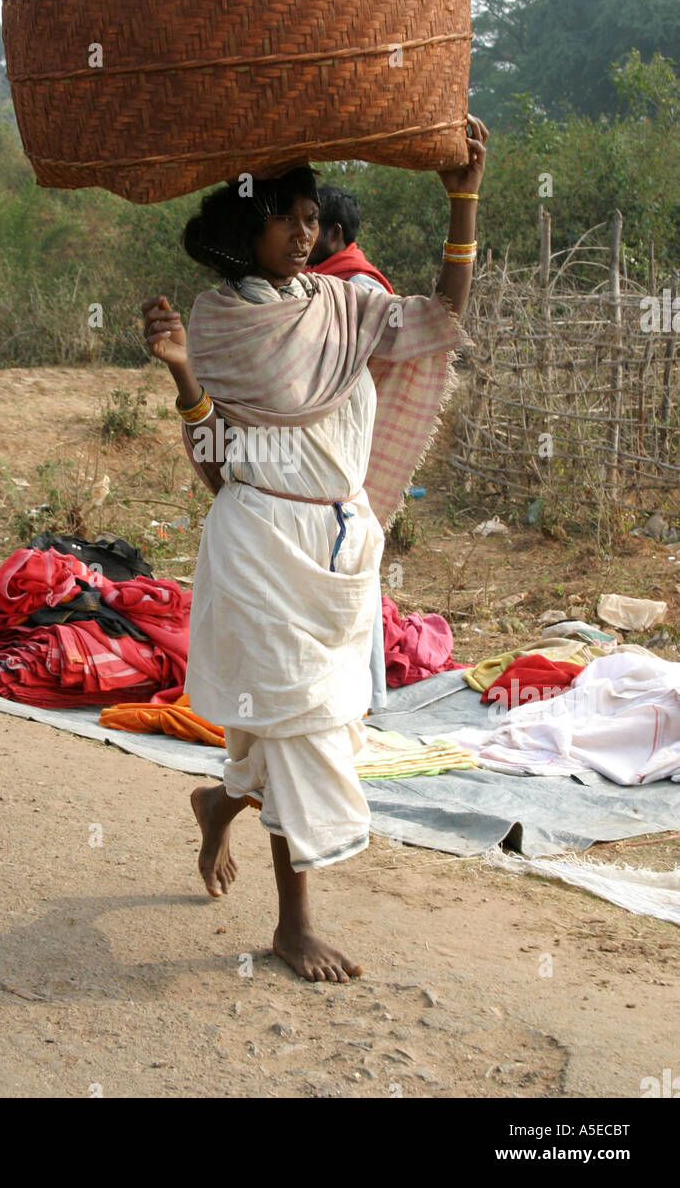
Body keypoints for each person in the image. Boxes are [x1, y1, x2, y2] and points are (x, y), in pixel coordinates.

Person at [141, 116, 488, 982]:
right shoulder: (219, 322)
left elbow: (443, 316)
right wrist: (183, 371)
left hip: (341, 544)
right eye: (286, 217)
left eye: (310, 217)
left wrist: (463, 201)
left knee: (306, 718)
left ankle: (217, 802)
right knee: (306, 730)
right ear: (244, 227)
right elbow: (218, 462)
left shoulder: (349, 305)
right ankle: (294, 926)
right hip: (260, 540)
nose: (305, 232)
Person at [307, 184, 394, 713]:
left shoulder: (357, 287)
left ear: (334, 233)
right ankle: (346, 698)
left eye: (310, 222)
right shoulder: (319, 284)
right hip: (318, 447)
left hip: (339, 447)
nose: (301, 234)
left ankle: (364, 700)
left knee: (350, 576)